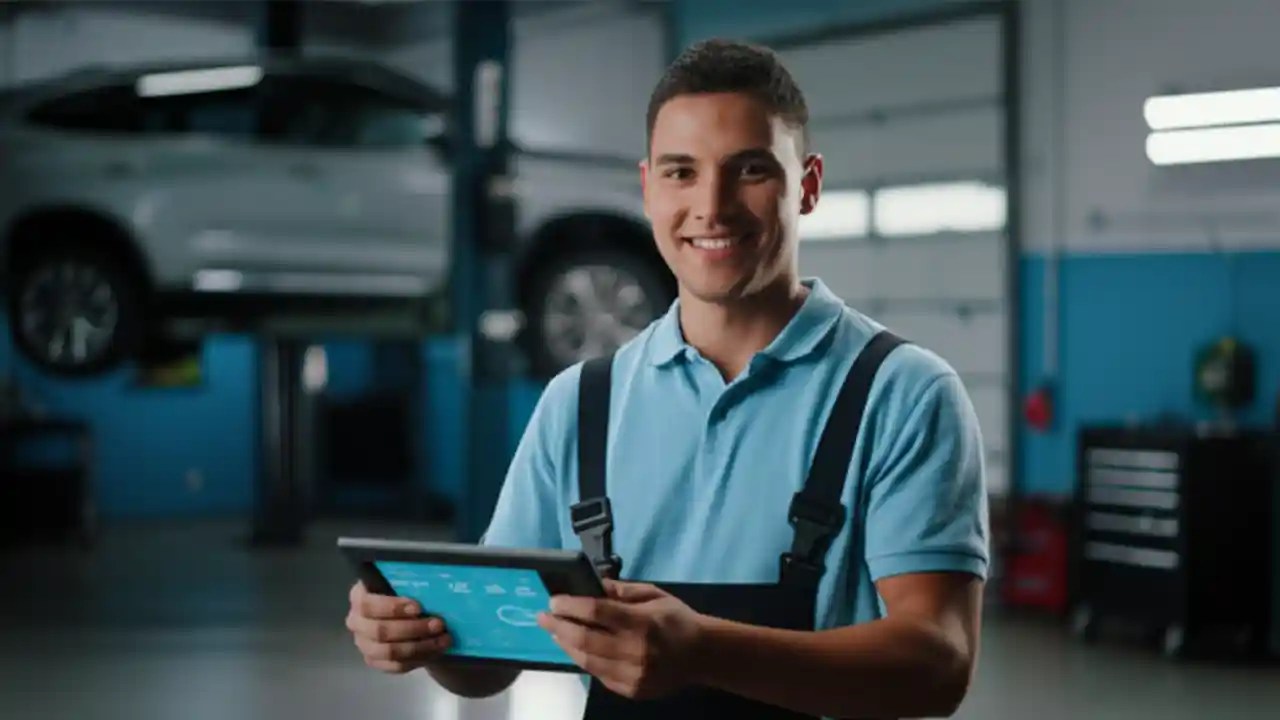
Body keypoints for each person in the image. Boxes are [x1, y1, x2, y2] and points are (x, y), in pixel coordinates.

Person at [346, 38, 989, 720]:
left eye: (749, 170)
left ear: (807, 186)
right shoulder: (580, 404)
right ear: (648, 186)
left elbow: (938, 662)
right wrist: (427, 637)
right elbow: (490, 664)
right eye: (682, 172)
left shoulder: (904, 394)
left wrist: (703, 652)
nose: (711, 206)